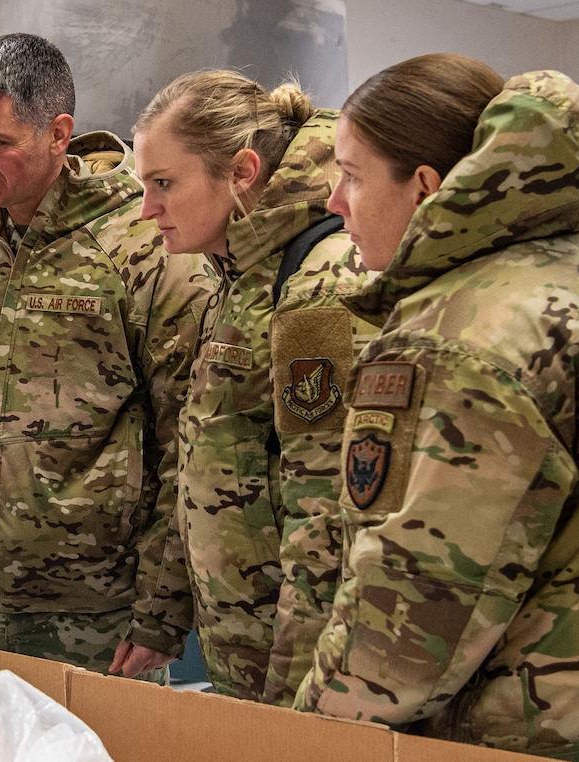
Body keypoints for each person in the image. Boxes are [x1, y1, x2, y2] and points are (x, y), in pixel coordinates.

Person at [294, 53, 579, 757]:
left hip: (523, 737)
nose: (333, 204)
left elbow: (408, 622)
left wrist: (300, 736)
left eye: (350, 175)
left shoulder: (458, 333)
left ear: (425, 186)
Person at [0, 33, 216, 678]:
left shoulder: (144, 247)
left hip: (96, 619)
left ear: (59, 133)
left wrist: (164, 609)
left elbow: (187, 441)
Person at [132, 70, 377, 704]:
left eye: (163, 184)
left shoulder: (316, 286)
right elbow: (204, 456)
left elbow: (328, 516)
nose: (146, 209)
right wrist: (163, 613)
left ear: (241, 172)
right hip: (247, 653)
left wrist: (298, 702)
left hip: (294, 673)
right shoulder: (239, 270)